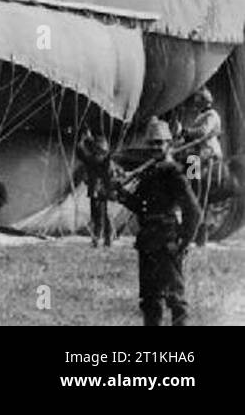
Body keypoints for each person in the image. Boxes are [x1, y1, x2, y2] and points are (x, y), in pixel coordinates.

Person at [115, 119, 201, 326]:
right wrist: (121, 194)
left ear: (169, 144)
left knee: (175, 299)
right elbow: (141, 206)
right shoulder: (150, 172)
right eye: (151, 143)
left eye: (160, 143)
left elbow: (194, 211)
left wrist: (183, 241)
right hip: (147, 242)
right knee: (150, 299)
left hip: (167, 242)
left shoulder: (174, 172)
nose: (155, 147)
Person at [179, 88, 223, 246]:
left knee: (197, 193)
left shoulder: (211, 115)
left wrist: (186, 131)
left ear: (204, 102)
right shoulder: (202, 115)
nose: (196, 104)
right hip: (196, 153)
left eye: (198, 101)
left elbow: (204, 131)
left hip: (205, 152)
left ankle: (198, 232)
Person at [75, 128, 118, 248]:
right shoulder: (97, 161)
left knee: (104, 216)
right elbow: (81, 153)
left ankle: (105, 238)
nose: (98, 156)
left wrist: (86, 139)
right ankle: (99, 238)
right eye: (97, 153)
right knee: (98, 216)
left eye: (100, 153)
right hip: (98, 191)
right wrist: (85, 140)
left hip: (103, 192)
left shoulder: (103, 162)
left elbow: (82, 152)